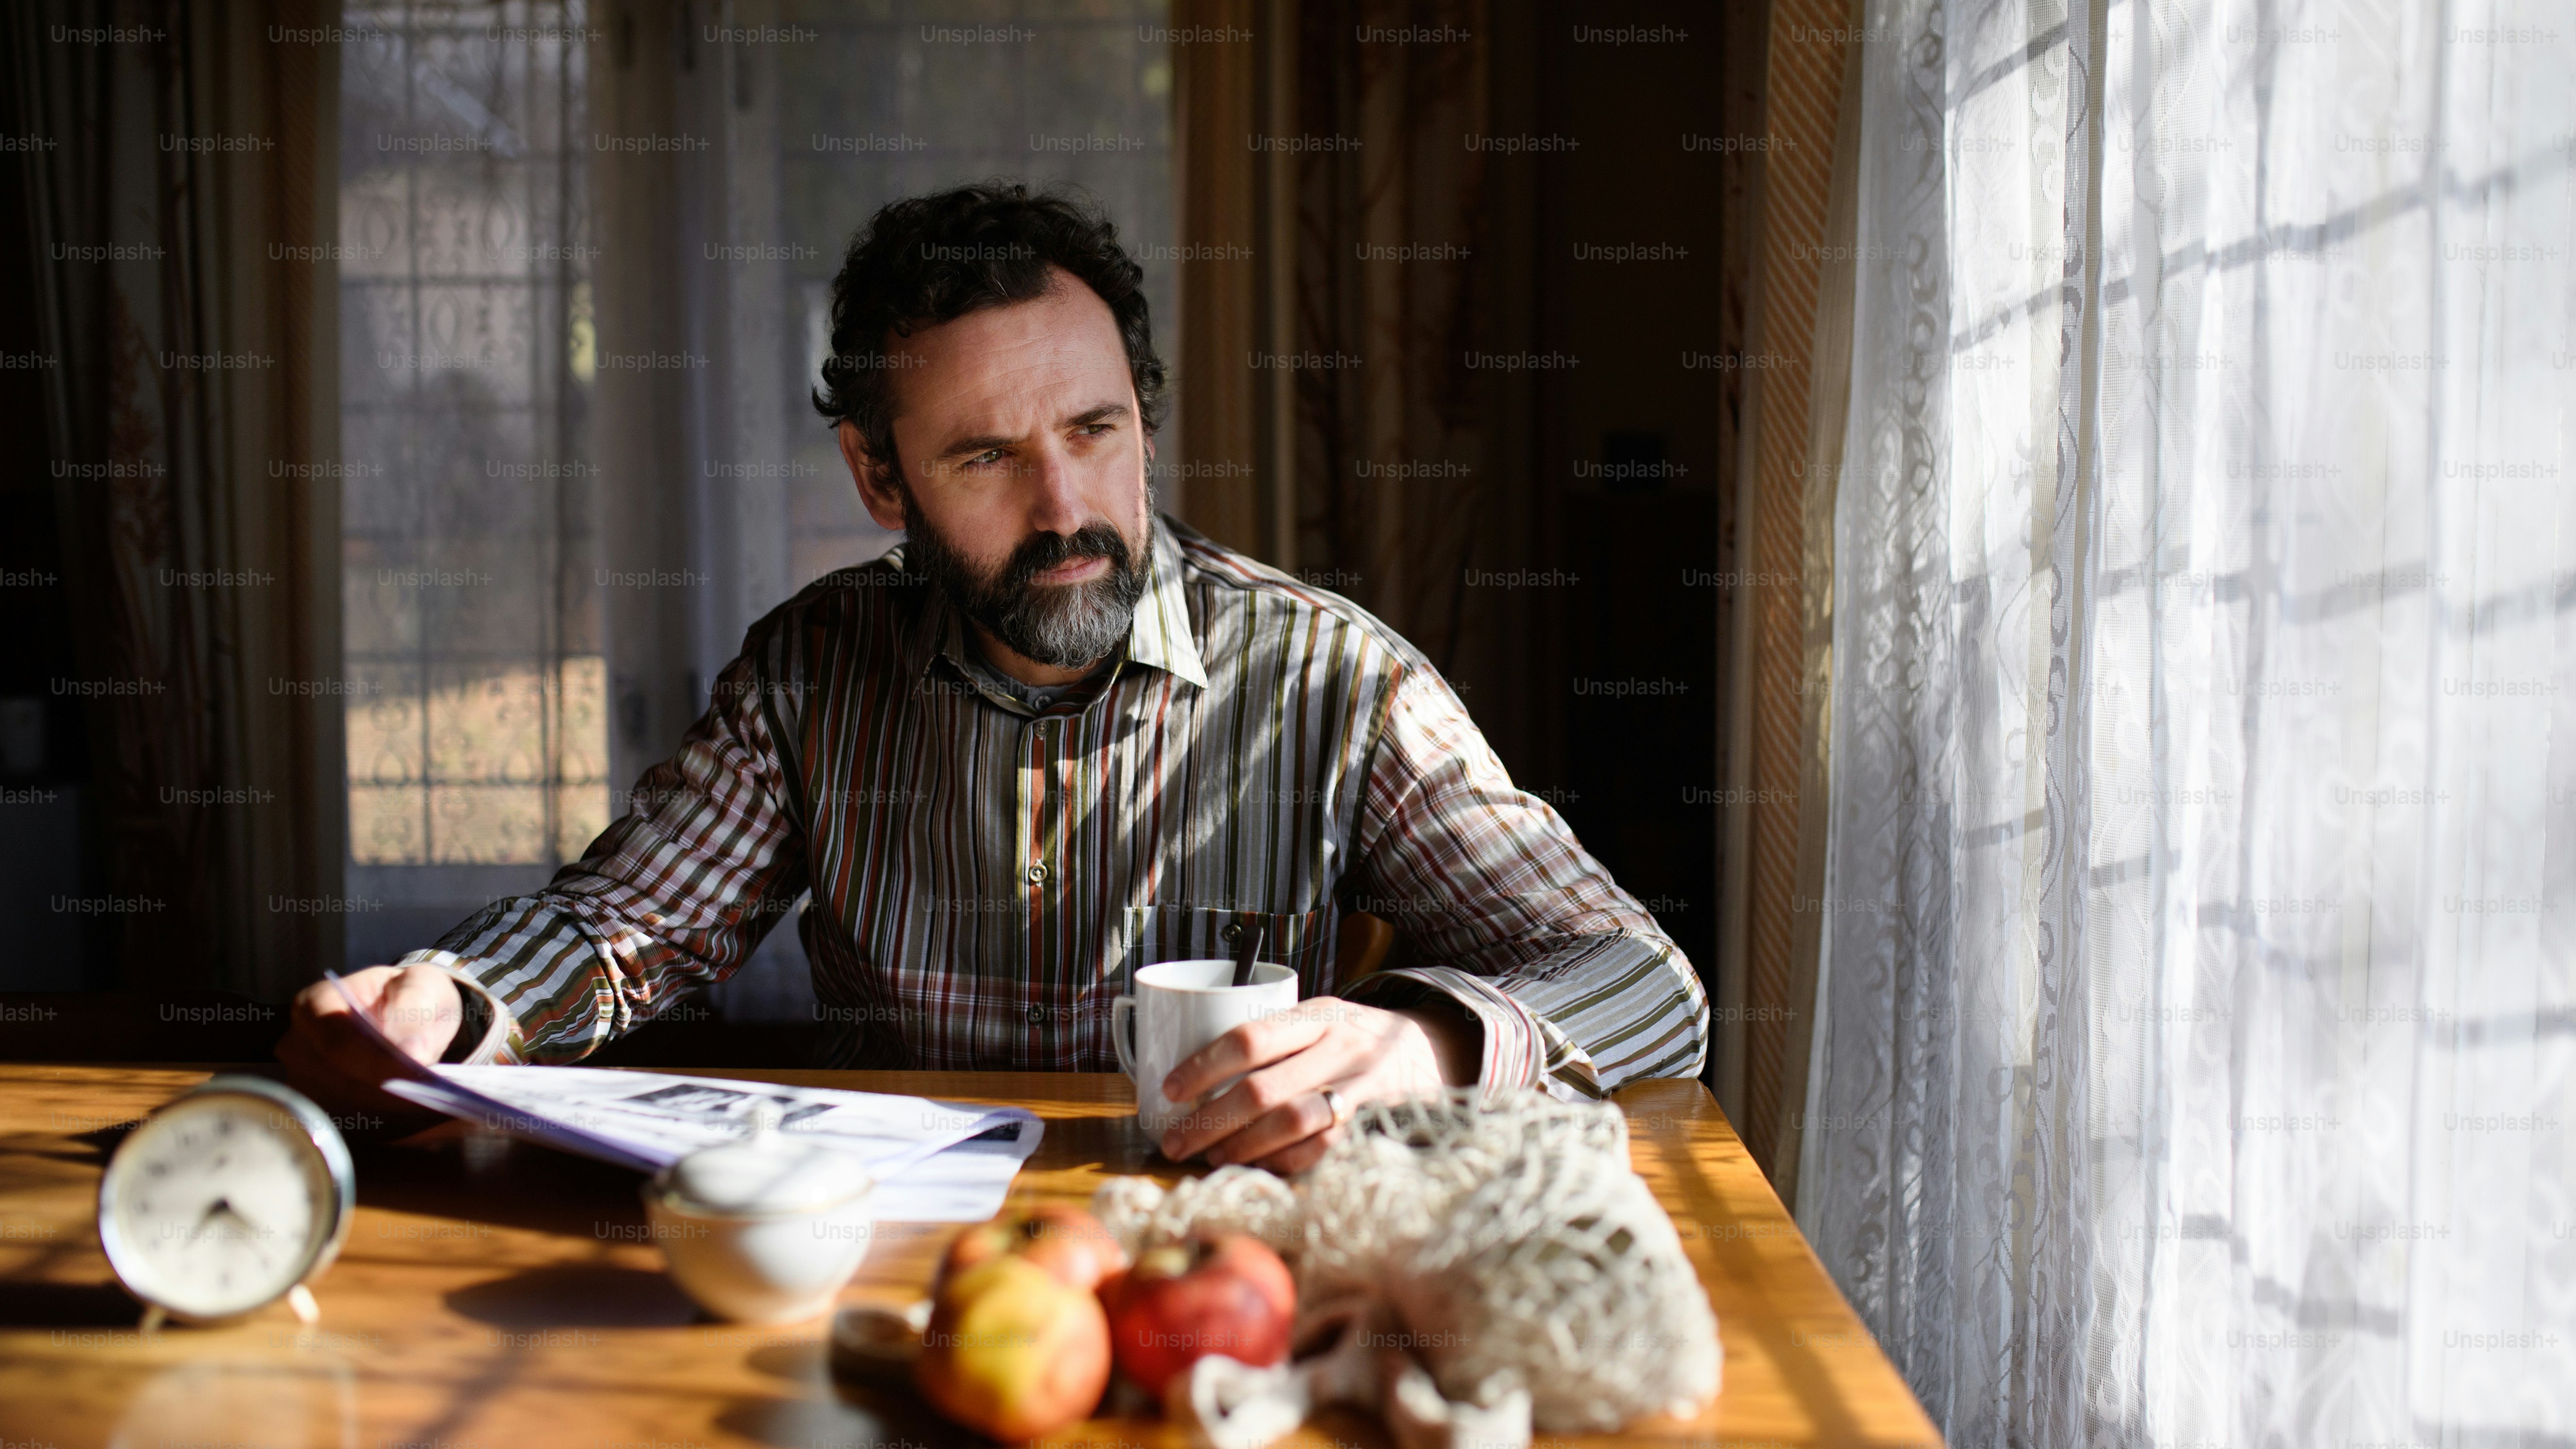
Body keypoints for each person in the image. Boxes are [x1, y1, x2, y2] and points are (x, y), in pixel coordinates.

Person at [279, 183, 1706, 1174]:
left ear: (1142, 415)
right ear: (878, 473)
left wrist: (1430, 1043)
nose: (1064, 502)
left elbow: (1646, 982)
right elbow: (626, 925)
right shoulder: (811, 673)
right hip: (881, 1274)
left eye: (1094, 428)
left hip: (1225, 1283)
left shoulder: (1334, 679)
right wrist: (455, 1006)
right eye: (984, 457)